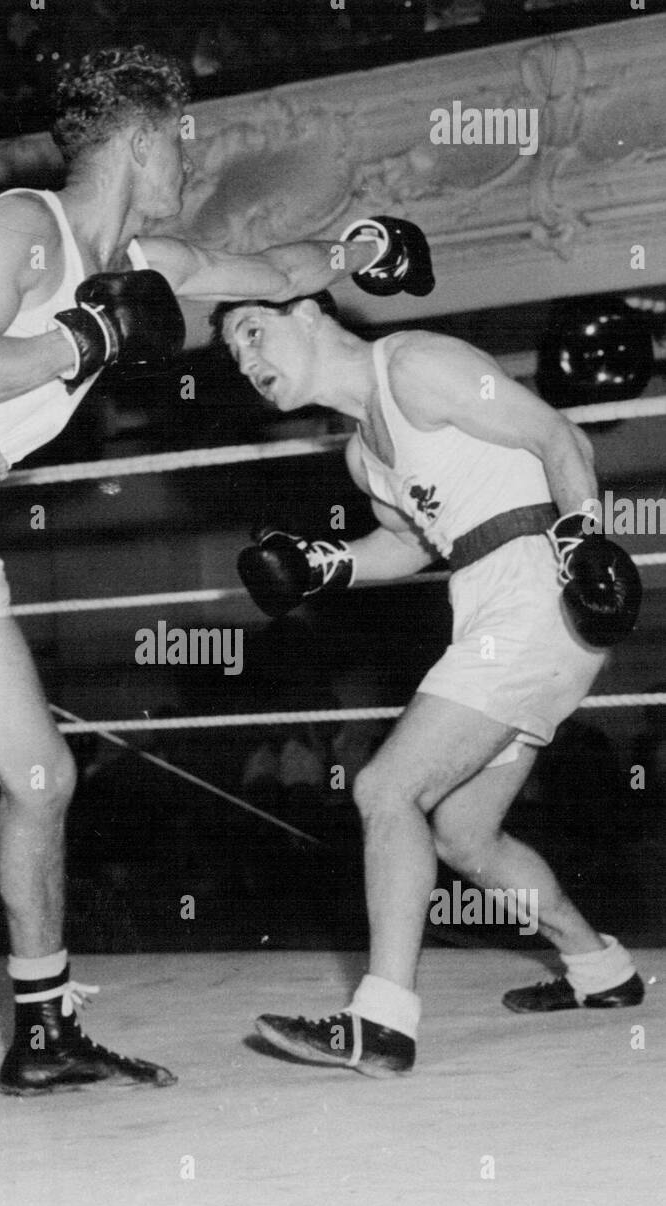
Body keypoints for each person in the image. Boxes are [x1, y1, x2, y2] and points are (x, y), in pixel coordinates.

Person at [0, 46, 435, 1168]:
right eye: (182, 139)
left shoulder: (137, 257)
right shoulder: (22, 228)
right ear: (141, 136)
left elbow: (265, 267)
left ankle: (41, 1028)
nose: (191, 157)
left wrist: (352, 248)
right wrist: (81, 336)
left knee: (40, 772)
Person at [216, 290, 643, 1078]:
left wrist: (585, 540)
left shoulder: (413, 365)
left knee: (385, 788)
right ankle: (600, 970)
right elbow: (410, 543)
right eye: (233, 353)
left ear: (309, 312)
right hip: (486, 604)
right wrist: (323, 564)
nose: (246, 360)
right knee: (462, 832)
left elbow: (556, 432)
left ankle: (382, 1022)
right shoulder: (362, 454)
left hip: (535, 593)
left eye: (253, 330)